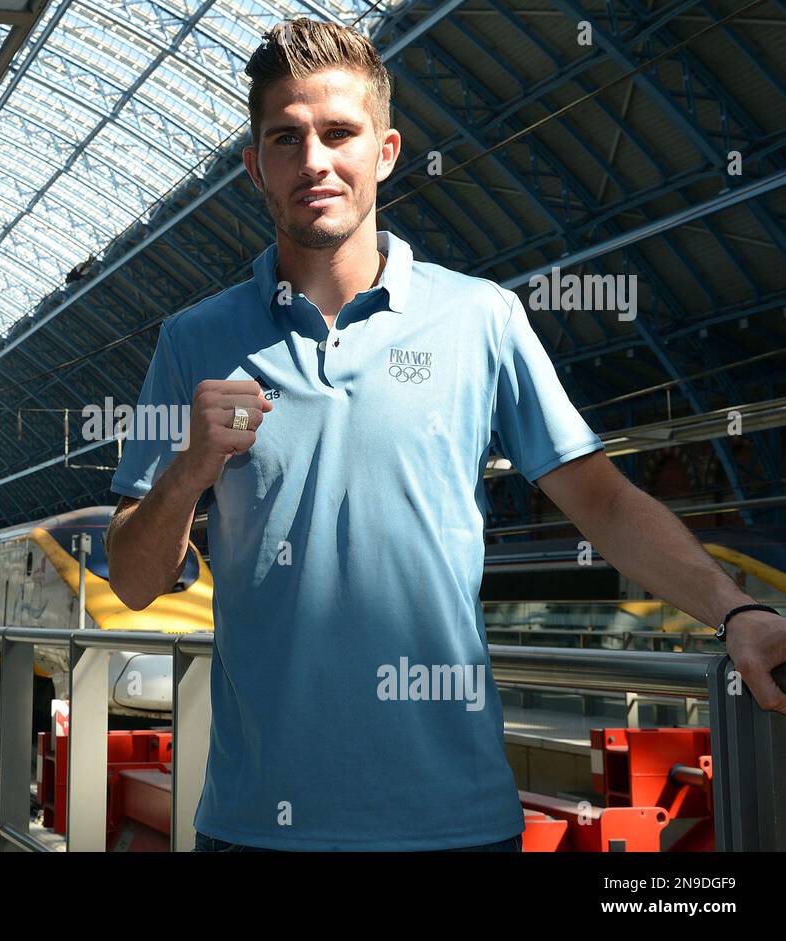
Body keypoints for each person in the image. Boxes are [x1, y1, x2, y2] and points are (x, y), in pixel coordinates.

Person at [104, 16, 786, 852]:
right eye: (285, 138)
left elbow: (603, 503)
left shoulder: (480, 318)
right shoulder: (192, 340)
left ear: (385, 152)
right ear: (256, 168)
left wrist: (737, 609)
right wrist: (187, 471)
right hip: (258, 825)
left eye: (338, 132)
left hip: (455, 824)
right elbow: (134, 579)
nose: (314, 160)